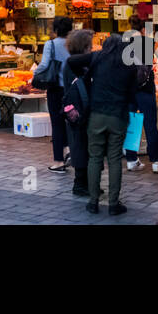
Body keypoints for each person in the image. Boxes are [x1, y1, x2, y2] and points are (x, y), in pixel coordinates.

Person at [67, 31, 136, 217]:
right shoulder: (129, 63)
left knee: (95, 158)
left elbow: (71, 61)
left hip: (96, 115)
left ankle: (93, 201)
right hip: (118, 116)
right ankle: (114, 204)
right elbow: (135, 87)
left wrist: (84, 76)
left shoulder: (97, 57)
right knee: (114, 159)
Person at [122, 16, 158, 174]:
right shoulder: (147, 43)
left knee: (132, 124)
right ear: (144, 29)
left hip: (130, 89)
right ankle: (156, 162)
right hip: (145, 89)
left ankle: (131, 160)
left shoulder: (124, 43)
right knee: (150, 125)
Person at [63, 28, 95, 198]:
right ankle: (80, 183)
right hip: (78, 111)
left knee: (83, 145)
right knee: (80, 145)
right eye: (89, 45)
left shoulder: (73, 63)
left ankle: (86, 182)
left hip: (78, 110)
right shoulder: (73, 64)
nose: (92, 48)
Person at [38, 17, 73, 172]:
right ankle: (70, 151)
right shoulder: (74, 43)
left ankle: (58, 161)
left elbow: (44, 64)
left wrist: (35, 74)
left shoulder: (50, 44)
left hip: (56, 89)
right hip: (72, 89)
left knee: (57, 124)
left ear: (56, 30)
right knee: (72, 121)